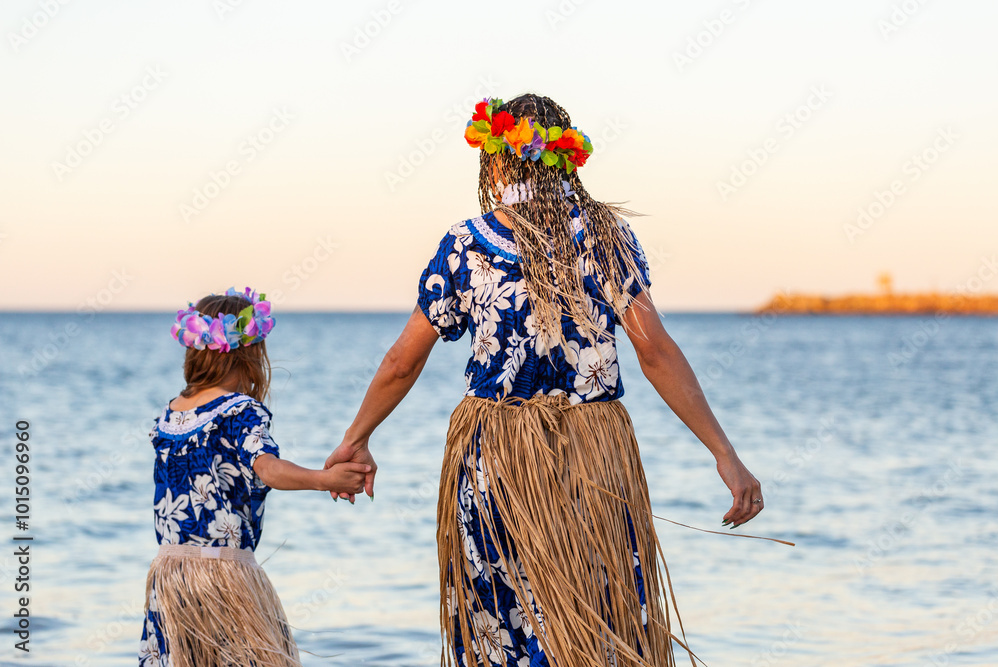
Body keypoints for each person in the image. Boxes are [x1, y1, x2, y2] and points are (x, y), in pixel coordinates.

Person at [326, 94, 764, 667]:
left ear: (496, 160)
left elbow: (401, 362)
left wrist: (356, 437)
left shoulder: (466, 243)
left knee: (504, 625)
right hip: (595, 458)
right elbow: (654, 350)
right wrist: (724, 453)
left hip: (497, 457)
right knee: (599, 622)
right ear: (565, 158)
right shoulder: (605, 235)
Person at [139, 288, 370, 667]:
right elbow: (267, 468)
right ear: (250, 355)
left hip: (171, 578)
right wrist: (324, 479)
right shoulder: (241, 411)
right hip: (222, 578)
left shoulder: (171, 415)